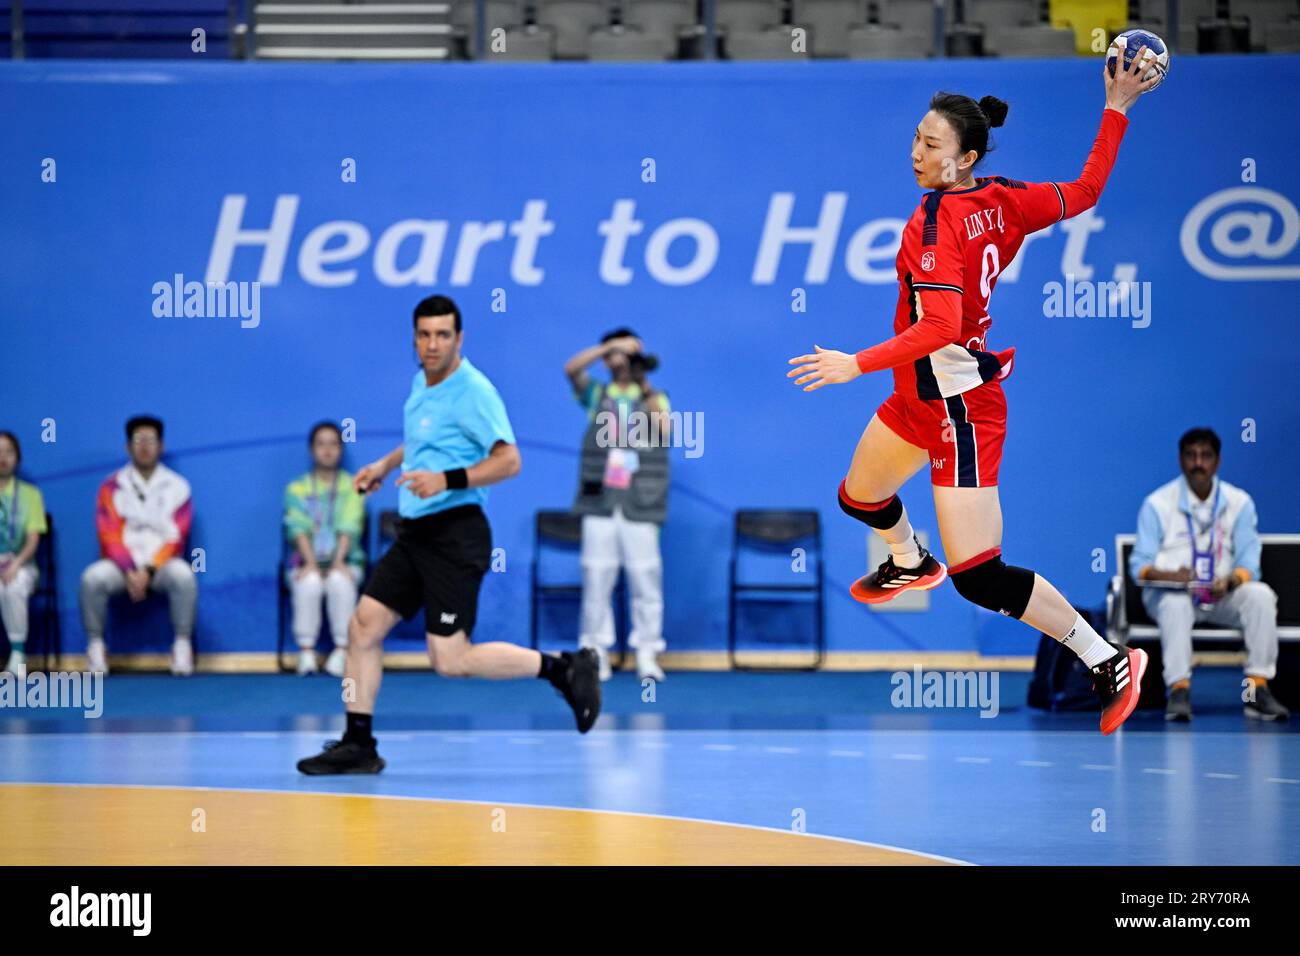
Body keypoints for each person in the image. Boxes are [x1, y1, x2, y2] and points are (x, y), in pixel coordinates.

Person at [786, 51, 1160, 735]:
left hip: (958, 406)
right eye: (916, 139)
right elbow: (1085, 192)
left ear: (964, 158)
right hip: (915, 398)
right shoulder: (1005, 198)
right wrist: (1117, 110)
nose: (916, 153)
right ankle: (909, 558)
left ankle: (1107, 659)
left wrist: (854, 364)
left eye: (931, 145)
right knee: (859, 495)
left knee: (981, 577)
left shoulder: (932, 223)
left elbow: (943, 325)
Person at [297, 295, 601, 775]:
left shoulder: (474, 390)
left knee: (451, 659)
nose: (432, 344)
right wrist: (385, 464)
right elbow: (426, 438)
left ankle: (564, 669)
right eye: (424, 335)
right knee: (363, 626)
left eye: (443, 335)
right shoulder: (423, 381)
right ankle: (359, 743)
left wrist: (447, 479)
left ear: (460, 338)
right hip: (416, 531)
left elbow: (509, 461)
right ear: (414, 339)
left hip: (456, 534)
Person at [1131, 428, 1289, 722]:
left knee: (1261, 596)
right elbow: (1139, 565)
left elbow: (1249, 563)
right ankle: (1179, 689)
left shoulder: (1239, 502)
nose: (1198, 463)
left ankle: (1257, 688)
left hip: (1220, 593)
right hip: (1174, 594)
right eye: (1191, 456)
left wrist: (1230, 581)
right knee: (1175, 603)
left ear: (1217, 461)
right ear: (1180, 460)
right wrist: (1169, 576)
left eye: (1205, 456)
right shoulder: (1157, 504)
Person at [564, 328, 671, 681]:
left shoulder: (654, 395)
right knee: (597, 576)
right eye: (616, 354)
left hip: (642, 501)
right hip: (600, 500)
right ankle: (595, 652)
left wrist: (643, 383)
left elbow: (666, 430)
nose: (622, 360)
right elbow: (571, 370)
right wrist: (608, 347)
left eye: (628, 353)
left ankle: (647, 653)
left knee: (646, 579)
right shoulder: (596, 393)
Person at [79, 416, 197, 676]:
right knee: (92, 578)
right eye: (138, 440)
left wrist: (149, 570)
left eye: (151, 440)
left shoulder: (179, 486)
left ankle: (181, 646)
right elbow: (108, 534)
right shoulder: (111, 486)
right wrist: (131, 569)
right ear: (128, 447)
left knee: (184, 575)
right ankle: (96, 648)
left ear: (161, 446)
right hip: (122, 569)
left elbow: (177, 537)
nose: (144, 446)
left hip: (161, 567)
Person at [283, 421, 366, 677]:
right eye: (321, 444)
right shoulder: (296, 488)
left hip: (346, 560)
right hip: (304, 561)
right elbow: (297, 528)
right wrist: (309, 563)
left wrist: (338, 562)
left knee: (341, 582)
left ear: (341, 449)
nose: (327, 450)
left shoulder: (353, 486)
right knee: (308, 583)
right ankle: (306, 652)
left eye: (333, 444)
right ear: (311, 450)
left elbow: (349, 526)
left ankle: (342, 651)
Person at [0, 431, 48, 681]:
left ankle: (18, 654)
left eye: (8, 451)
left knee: (11, 586)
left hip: (21, 564)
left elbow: (33, 540)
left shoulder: (30, 495)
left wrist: (15, 564)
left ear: (17, 457)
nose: (2, 457)